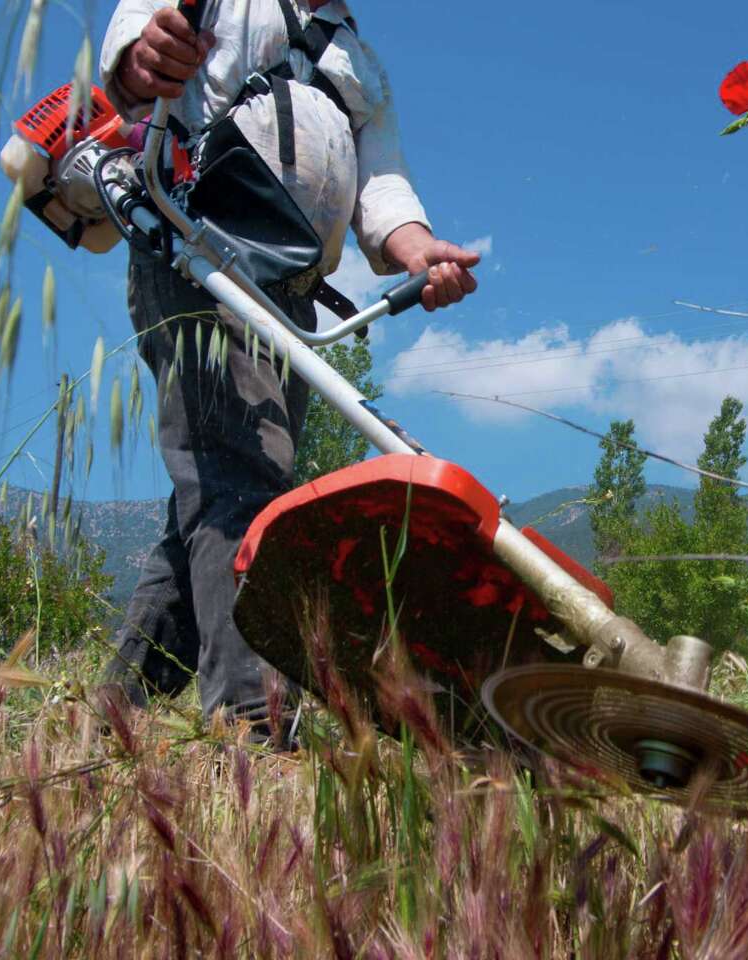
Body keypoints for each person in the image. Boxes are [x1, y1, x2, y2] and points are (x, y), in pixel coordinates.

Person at [98, 0, 479, 740]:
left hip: (292, 296)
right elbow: (135, 54)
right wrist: (142, 58)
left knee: (222, 495)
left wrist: (417, 249)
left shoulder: (357, 59)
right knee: (243, 479)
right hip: (196, 250)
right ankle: (253, 725)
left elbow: (382, 183)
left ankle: (118, 717)